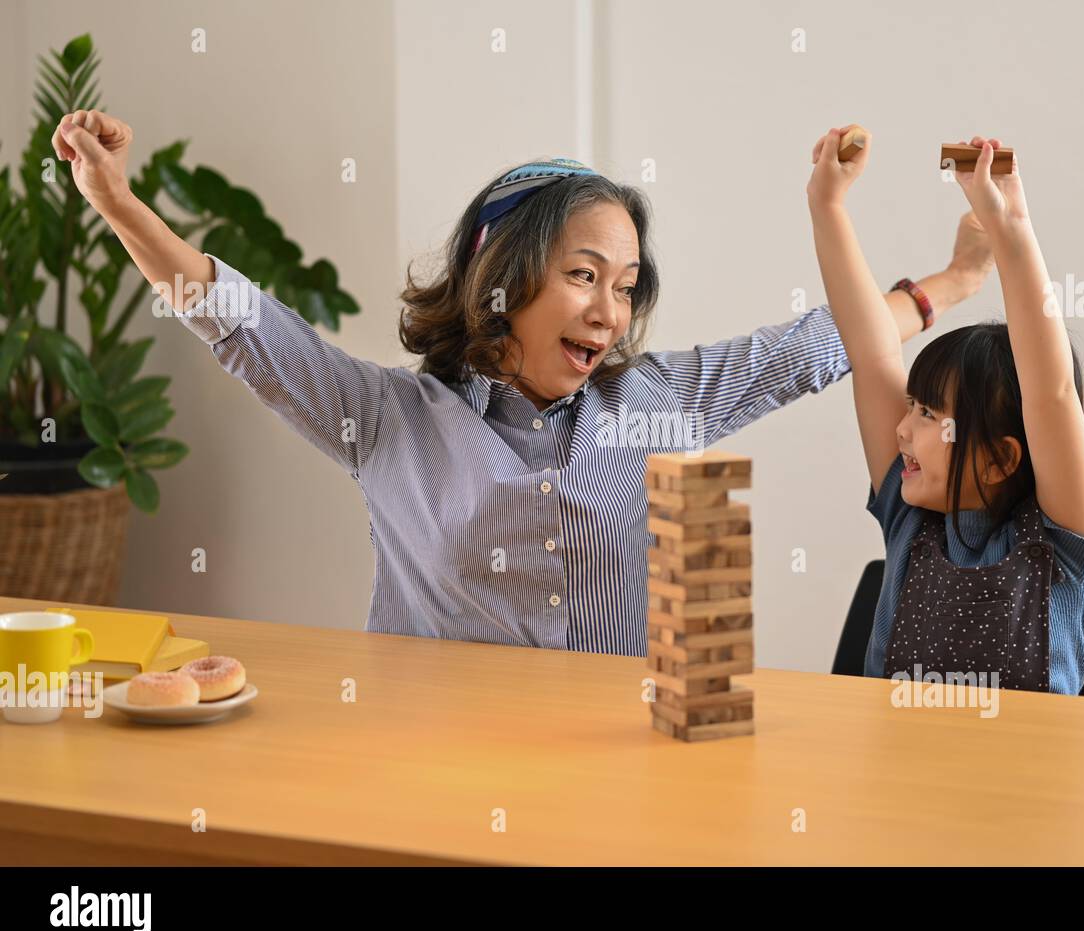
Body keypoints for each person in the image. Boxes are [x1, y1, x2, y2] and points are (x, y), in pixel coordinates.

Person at [55, 109, 994, 654]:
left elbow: (812, 345)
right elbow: (241, 324)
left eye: (625, 289)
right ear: (502, 276)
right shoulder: (387, 420)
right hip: (431, 773)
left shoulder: (653, 404)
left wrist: (951, 283)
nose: (608, 313)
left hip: (612, 778)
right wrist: (119, 205)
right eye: (584, 277)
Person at [806, 126, 1084, 694]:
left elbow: (1050, 391)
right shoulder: (909, 519)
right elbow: (872, 349)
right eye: (913, 407)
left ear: (1001, 458)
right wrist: (827, 205)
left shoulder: (1059, 537)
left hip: (1022, 781)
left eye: (931, 416)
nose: (902, 428)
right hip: (896, 775)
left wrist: (1013, 233)